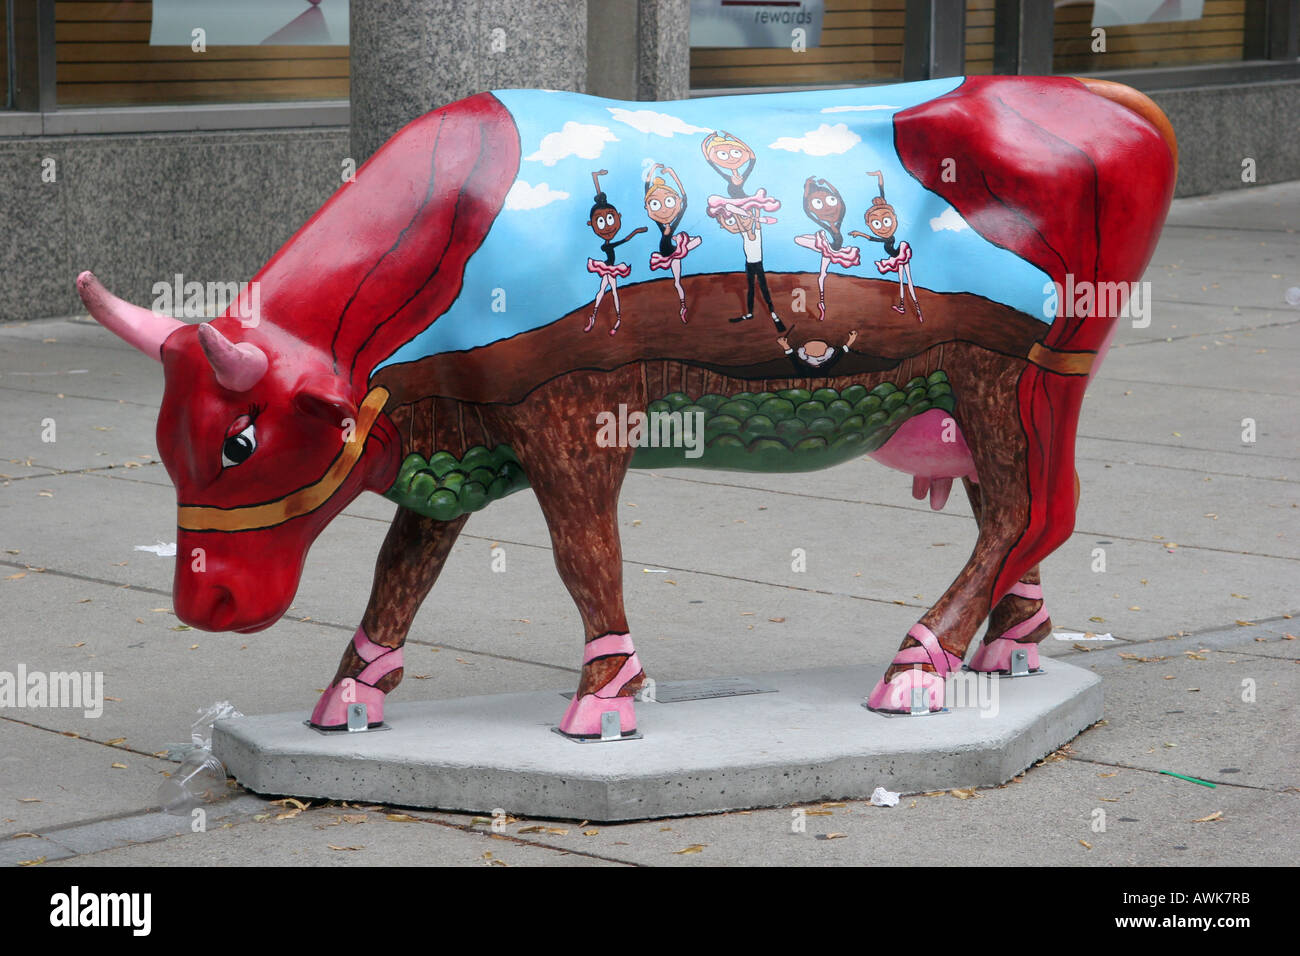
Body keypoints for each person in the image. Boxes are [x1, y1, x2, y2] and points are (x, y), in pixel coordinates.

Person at [850, 169, 923, 322]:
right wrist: (879, 176)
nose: (882, 227)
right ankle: (903, 306)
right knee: (903, 282)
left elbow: (872, 238)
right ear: (870, 223)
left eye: (886, 221)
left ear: (894, 218)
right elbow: (882, 192)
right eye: (876, 223)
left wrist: (860, 233)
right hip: (897, 257)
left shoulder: (887, 238)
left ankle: (916, 308)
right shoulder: (886, 234)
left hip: (900, 256)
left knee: (908, 282)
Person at [585, 169, 647, 335]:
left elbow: (623, 239)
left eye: (611, 218)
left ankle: (602, 317)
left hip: (609, 268)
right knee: (610, 292)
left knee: (605, 292)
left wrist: (596, 178)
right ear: (591, 224)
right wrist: (636, 232)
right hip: (609, 269)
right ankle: (614, 318)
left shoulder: (608, 244)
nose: (608, 225)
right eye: (600, 222)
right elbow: (624, 240)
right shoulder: (606, 246)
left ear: (618, 216)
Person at [708, 200, 786, 333]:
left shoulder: (758, 234)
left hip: (758, 265)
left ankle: (773, 312)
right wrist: (736, 214)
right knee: (751, 289)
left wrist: (757, 211)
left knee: (764, 289)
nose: (749, 230)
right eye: (748, 229)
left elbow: (758, 223)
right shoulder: (745, 234)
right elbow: (741, 225)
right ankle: (750, 313)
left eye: (751, 228)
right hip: (749, 265)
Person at [792, 176, 860, 321]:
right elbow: (807, 209)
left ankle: (822, 303)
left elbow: (839, 198)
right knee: (821, 273)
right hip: (826, 247)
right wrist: (807, 188)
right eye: (818, 203)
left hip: (832, 251)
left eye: (830, 201)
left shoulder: (839, 220)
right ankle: (822, 304)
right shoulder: (826, 226)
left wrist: (827, 183)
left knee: (822, 273)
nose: (827, 208)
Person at [644, 164, 701, 323]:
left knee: (677, 281)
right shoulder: (660, 224)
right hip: (665, 256)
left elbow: (685, 200)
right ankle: (684, 242)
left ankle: (683, 307)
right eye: (656, 204)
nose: (663, 210)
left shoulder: (673, 224)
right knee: (676, 281)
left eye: (668, 201)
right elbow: (646, 187)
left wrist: (672, 173)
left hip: (675, 255)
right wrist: (653, 168)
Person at [776, 329, 859, 376]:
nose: (816, 355)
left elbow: (793, 359)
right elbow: (838, 356)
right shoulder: (825, 367)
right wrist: (850, 341)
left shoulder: (803, 368)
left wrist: (785, 345)